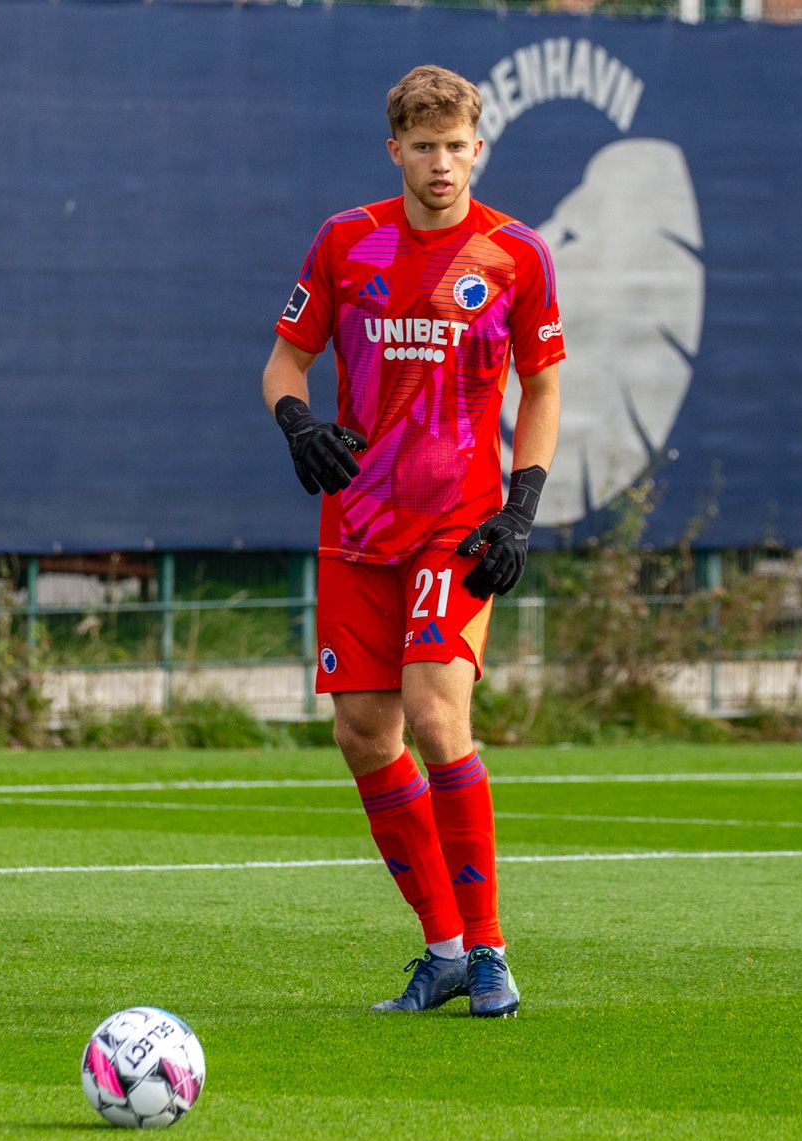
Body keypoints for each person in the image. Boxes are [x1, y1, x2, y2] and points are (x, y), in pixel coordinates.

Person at [260, 64, 563, 1018]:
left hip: (459, 526)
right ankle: (438, 951)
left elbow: (543, 386)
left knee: (437, 718)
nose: (441, 162)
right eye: (423, 146)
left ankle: (490, 954)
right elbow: (284, 360)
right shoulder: (346, 242)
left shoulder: (515, 254)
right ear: (396, 150)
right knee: (362, 734)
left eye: (456, 144)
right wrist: (299, 424)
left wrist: (521, 509)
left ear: (479, 146)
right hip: (357, 523)